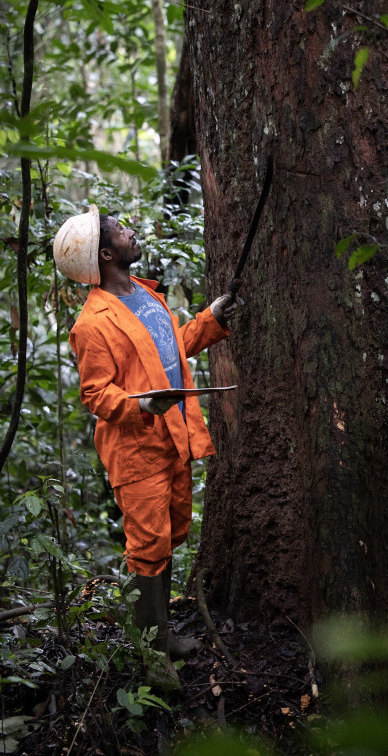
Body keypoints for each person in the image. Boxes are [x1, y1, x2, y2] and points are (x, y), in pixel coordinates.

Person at [53, 204, 241, 687]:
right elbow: (95, 393)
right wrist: (141, 405)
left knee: (171, 533)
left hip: (172, 438)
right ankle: (152, 656)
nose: (130, 231)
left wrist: (210, 320)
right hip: (137, 450)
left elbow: (169, 350)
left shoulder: (146, 295)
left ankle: (164, 634)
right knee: (147, 546)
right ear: (105, 254)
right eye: (120, 230)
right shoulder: (92, 323)